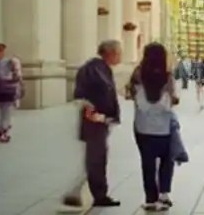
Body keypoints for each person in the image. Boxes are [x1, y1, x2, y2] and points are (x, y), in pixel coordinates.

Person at [63, 40, 123, 209]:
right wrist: (92, 111)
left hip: (100, 120)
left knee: (97, 157)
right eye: (118, 53)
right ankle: (97, 194)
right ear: (110, 53)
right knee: (96, 158)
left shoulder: (102, 69)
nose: (120, 56)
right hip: (94, 121)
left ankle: (94, 192)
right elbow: (82, 95)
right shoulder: (92, 69)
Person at [131, 43, 179, 211]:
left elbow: (130, 93)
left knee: (147, 162)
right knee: (166, 160)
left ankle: (150, 198)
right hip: (163, 128)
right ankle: (164, 195)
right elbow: (173, 99)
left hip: (142, 126)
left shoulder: (137, 74)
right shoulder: (167, 76)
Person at [0, 43, 22, 142]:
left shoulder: (9, 61)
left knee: (6, 110)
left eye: (0, 51)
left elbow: (17, 72)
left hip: (7, 88)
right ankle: (0, 128)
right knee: (2, 110)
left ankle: (3, 129)